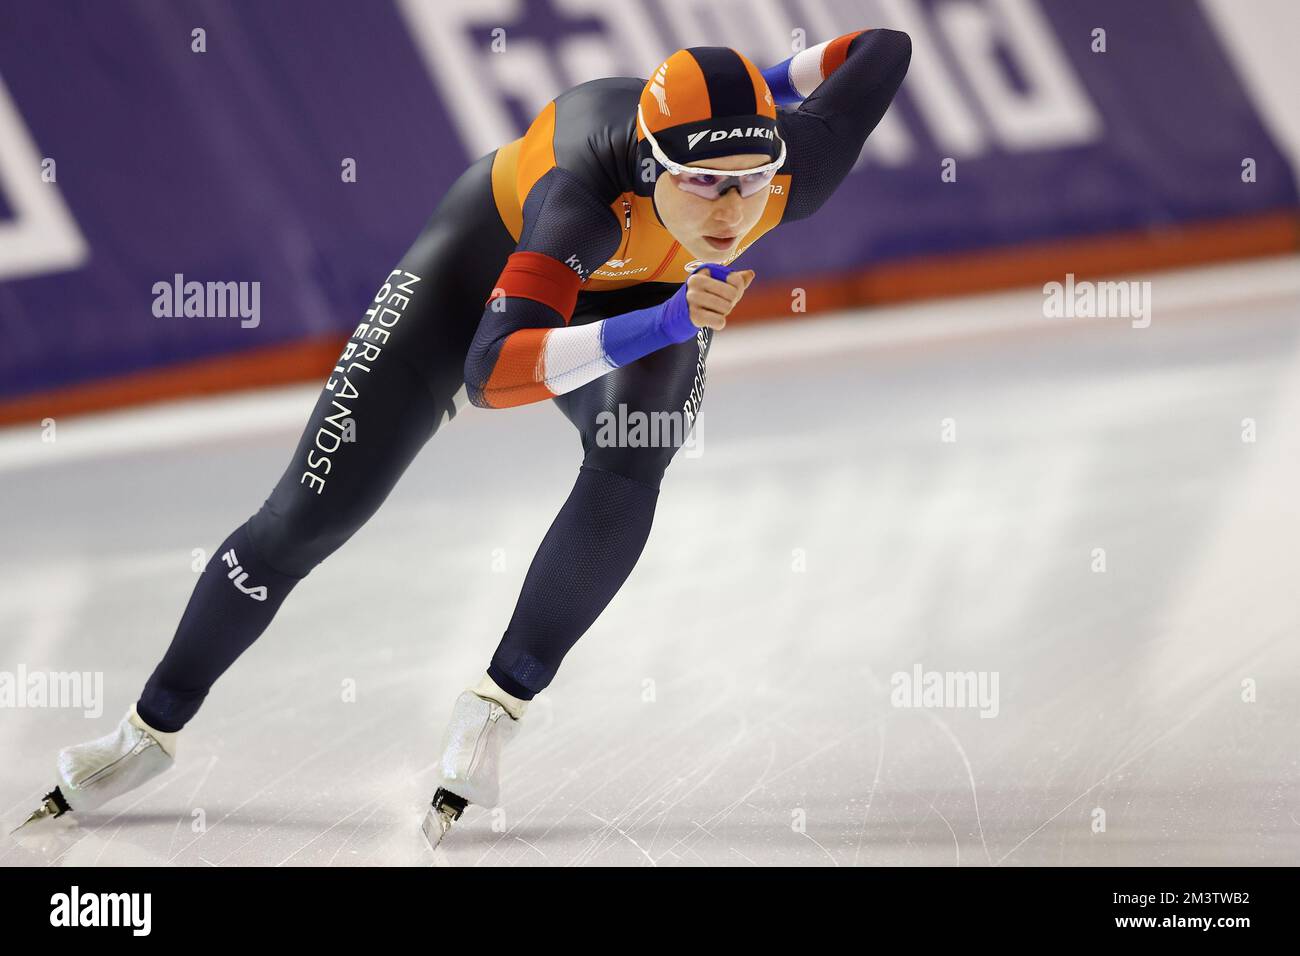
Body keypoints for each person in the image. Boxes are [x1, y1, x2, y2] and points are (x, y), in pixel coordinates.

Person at [17, 27, 912, 847]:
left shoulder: (795, 168)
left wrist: (761, 83)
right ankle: (148, 728)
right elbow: (491, 374)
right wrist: (666, 319)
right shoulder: (582, 200)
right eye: (703, 181)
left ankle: (499, 703)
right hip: (477, 285)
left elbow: (883, 47)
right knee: (306, 519)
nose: (729, 209)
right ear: (649, 164)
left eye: (749, 181)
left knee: (635, 458)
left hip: (645, 293)